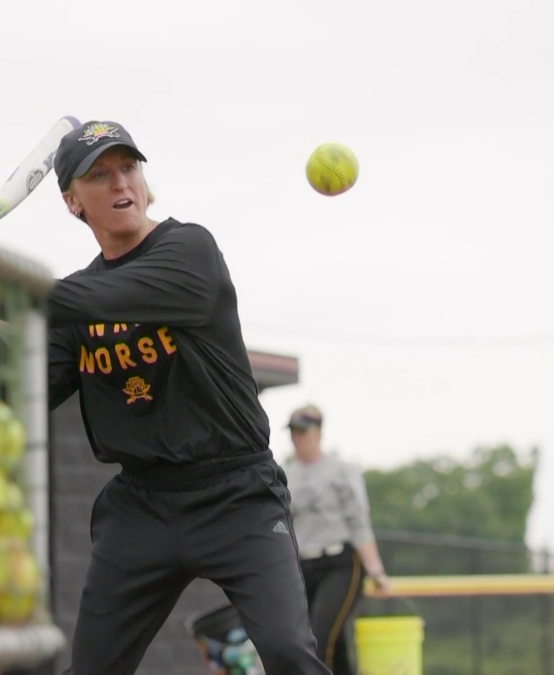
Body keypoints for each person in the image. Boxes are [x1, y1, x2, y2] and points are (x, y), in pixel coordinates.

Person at [43, 120, 332, 675]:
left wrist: (16, 289)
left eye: (128, 167)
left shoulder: (189, 250)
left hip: (236, 495)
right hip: (140, 507)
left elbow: (116, 293)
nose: (120, 182)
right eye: (98, 175)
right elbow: (18, 389)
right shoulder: (77, 304)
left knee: (291, 653)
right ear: (72, 202)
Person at [282, 405, 391, 674]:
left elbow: (358, 521)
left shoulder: (341, 471)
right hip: (303, 566)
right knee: (331, 642)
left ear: (318, 432)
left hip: (340, 563)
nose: (297, 438)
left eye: (303, 431)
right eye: (293, 432)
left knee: (318, 640)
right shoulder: (284, 474)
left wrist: (376, 570)